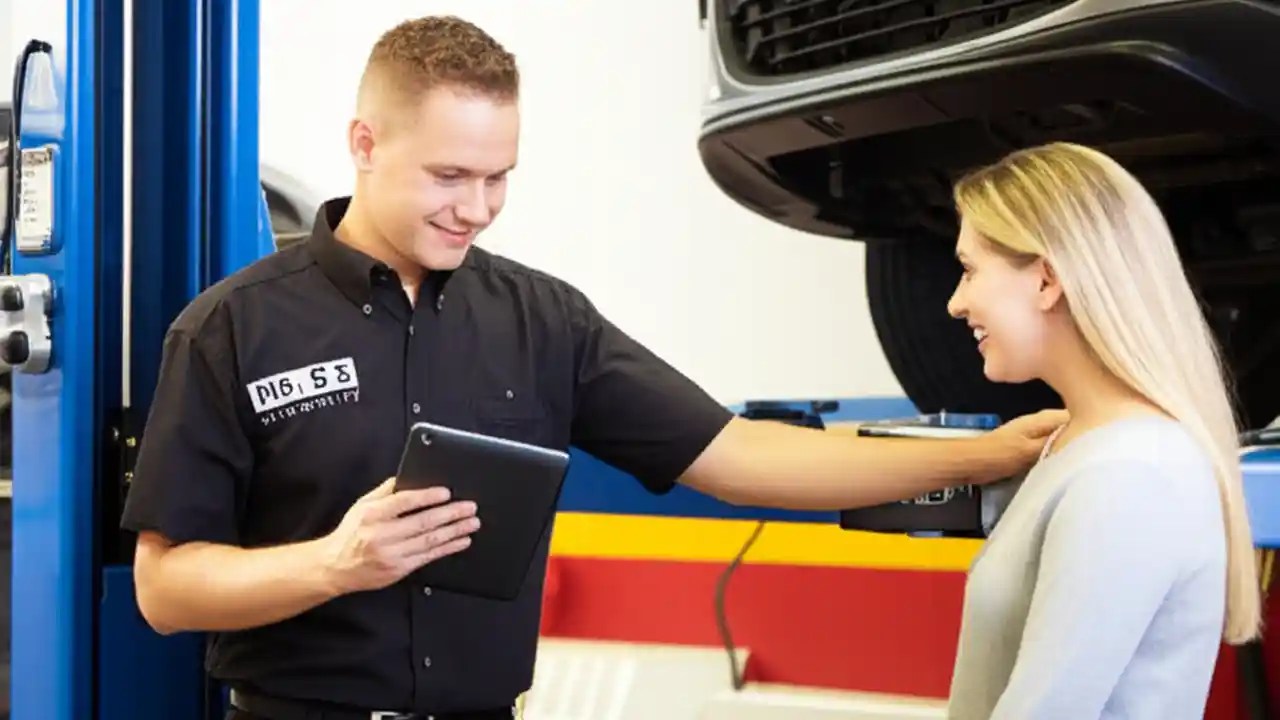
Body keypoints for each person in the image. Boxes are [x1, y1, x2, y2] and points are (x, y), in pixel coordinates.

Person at [120, 15, 1066, 720]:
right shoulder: (232, 329)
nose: (478, 208)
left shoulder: (543, 319)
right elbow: (167, 590)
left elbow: (740, 457)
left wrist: (983, 456)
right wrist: (337, 563)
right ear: (365, 145)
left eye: (500, 177)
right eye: (449, 177)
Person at [941, 142, 1262, 720]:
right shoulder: (1080, 448)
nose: (955, 303)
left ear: (1046, 281)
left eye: (968, 270)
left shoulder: (1130, 475)